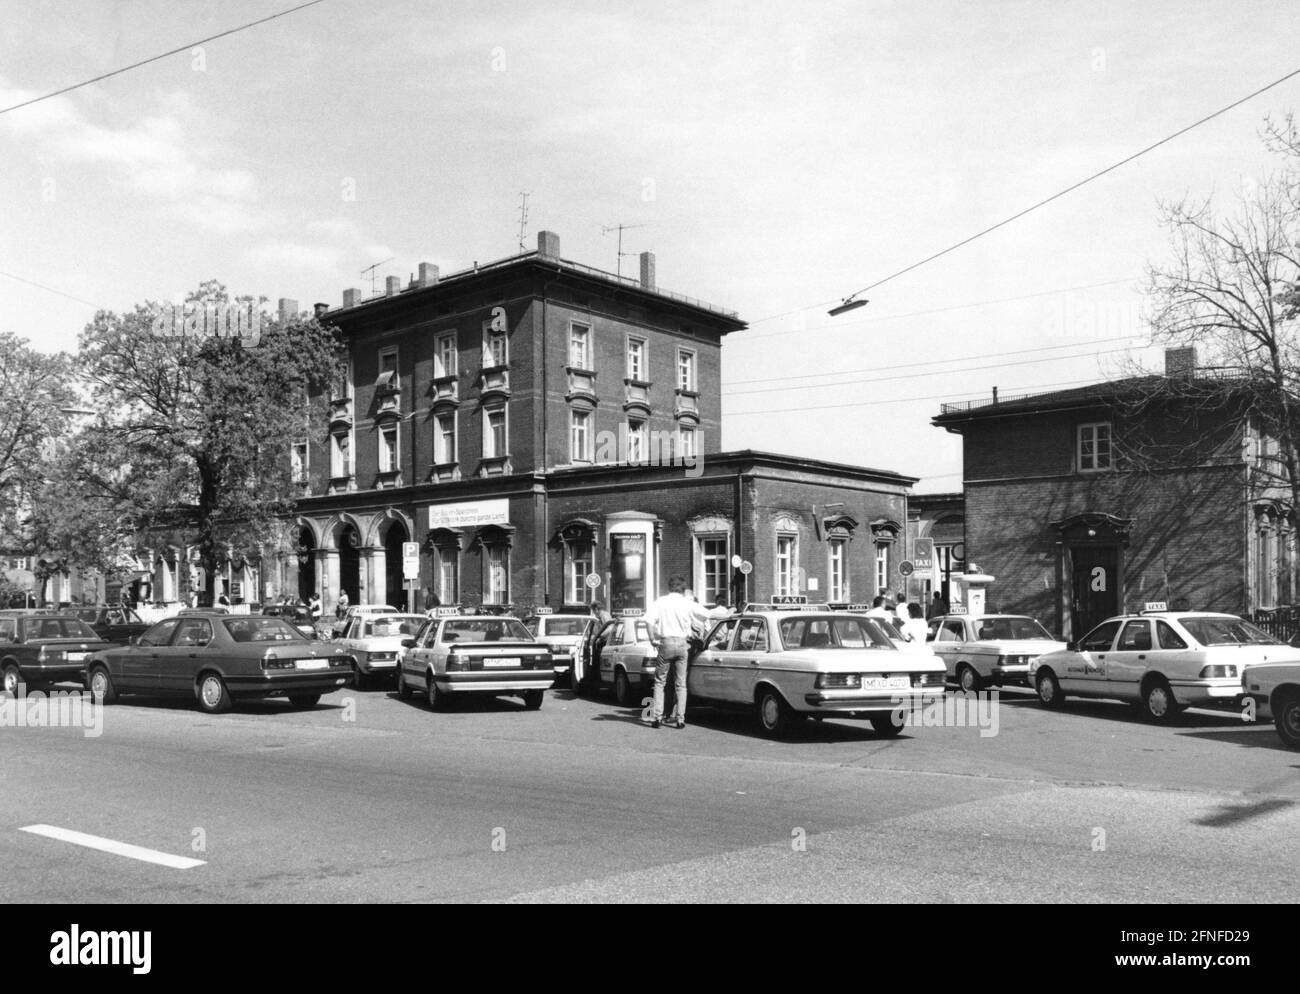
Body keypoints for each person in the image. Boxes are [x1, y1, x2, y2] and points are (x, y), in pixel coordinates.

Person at [646, 575, 712, 729]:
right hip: (683, 644)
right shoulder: (687, 603)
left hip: (666, 643)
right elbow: (708, 614)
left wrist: (651, 638)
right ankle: (680, 719)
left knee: (660, 682)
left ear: (669, 587)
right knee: (681, 684)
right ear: (683, 589)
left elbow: (648, 621)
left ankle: (657, 717)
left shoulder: (660, 602)